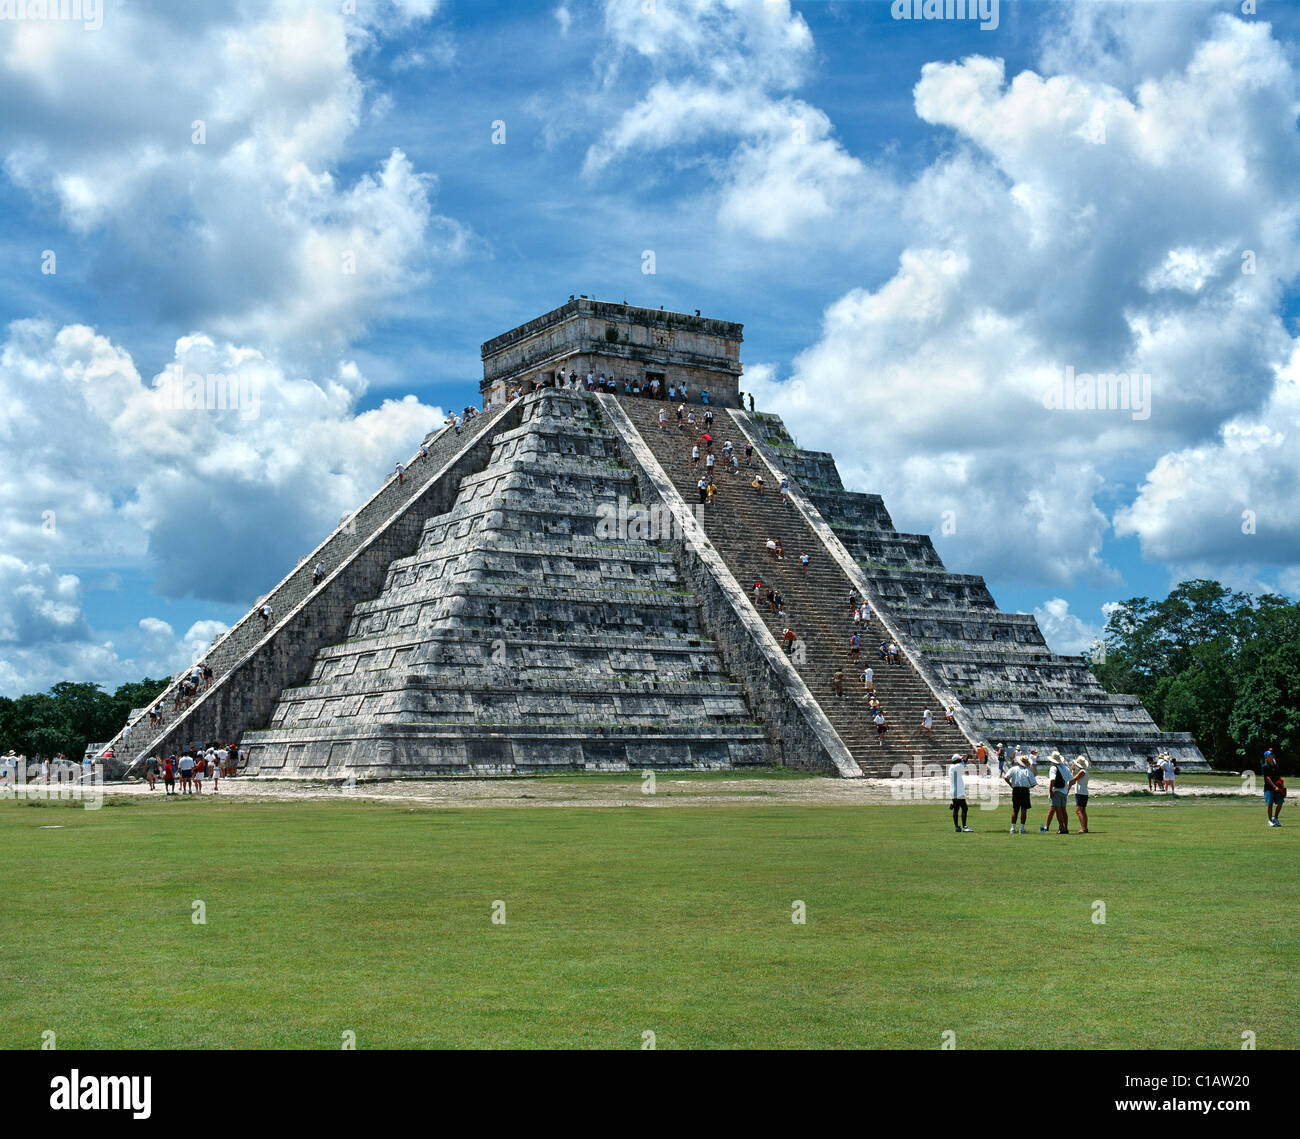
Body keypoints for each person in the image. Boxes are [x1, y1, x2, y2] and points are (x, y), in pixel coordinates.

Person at [1040, 751, 1071, 834]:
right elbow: (1072, 780)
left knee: (1058, 811)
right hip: (1064, 791)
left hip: (1056, 790)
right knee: (1063, 810)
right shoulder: (1066, 768)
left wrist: (1050, 791)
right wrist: (1068, 789)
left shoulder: (1053, 768)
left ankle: (1062, 828)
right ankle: (1066, 827)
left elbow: (1052, 779)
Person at [1004, 754, 1034, 833]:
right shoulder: (1027, 770)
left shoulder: (1013, 769)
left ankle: (1013, 828)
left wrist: (1011, 785)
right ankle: (1021, 829)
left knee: (1015, 809)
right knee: (1024, 810)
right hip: (1025, 790)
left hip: (1016, 790)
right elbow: (1033, 783)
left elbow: (1006, 777)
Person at [949, 753, 972, 832]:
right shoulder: (957, 767)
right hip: (958, 791)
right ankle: (964, 827)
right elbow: (963, 762)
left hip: (953, 791)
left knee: (956, 809)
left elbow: (963, 761)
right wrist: (966, 756)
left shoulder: (951, 767)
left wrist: (965, 757)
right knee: (964, 808)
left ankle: (956, 827)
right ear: (957, 760)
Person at [1262, 749, 1284, 826]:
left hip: (1277, 787)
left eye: (1272, 755)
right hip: (1269, 788)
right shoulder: (1265, 766)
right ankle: (1270, 821)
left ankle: (1276, 818)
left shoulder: (1275, 765)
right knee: (1270, 804)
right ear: (1266, 757)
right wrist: (1274, 786)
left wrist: (1281, 784)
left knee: (1280, 802)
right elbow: (1267, 778)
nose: (1271, 757)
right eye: (1269, 756)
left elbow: (1278, 776)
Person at [1069, 756, 1090, 833]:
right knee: (1083, 811)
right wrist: (1073, 772)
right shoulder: (1085, 771)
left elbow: (1073, 780)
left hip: (1081, 792)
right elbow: (1073, 780)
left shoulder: (1082, 772)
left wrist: (1072, 772)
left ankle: (1083, 828)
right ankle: (1085, 828)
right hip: (1084, 792)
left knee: (1078, 811)